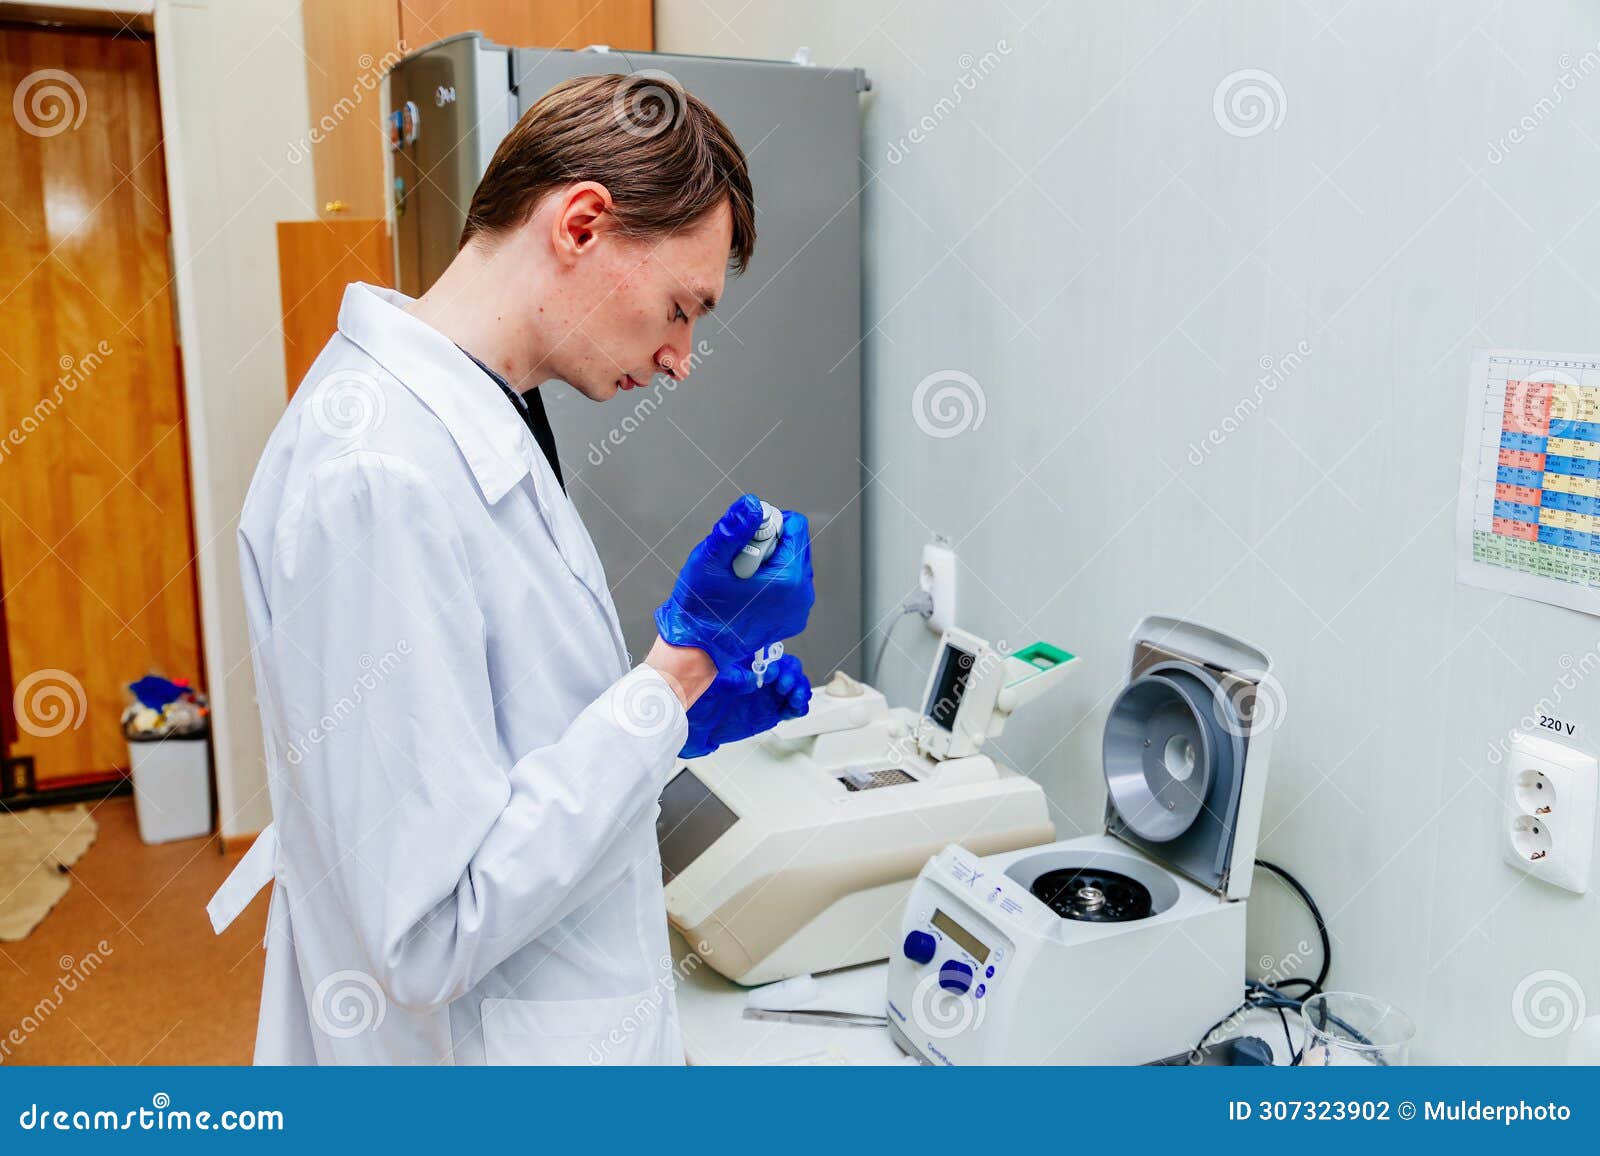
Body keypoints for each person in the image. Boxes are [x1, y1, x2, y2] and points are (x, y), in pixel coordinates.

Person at [205, 74, 815, 1065]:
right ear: (581, 223)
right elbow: (431, 926)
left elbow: (490, 750)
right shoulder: (379, 472)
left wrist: (667, 726)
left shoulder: (483, 414)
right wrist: (674, 674)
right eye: (679, 306)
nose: (680, 358)